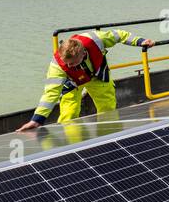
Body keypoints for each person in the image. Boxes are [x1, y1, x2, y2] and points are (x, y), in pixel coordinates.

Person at [16, 29, 154, 132]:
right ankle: (73, 143)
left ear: (83, 53)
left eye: (73, 63)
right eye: (67, 63)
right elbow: (50, 94)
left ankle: (108, 138)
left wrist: (140, 41)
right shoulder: (58, 66)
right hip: (72, 81)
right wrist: (37, 120)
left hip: (97, 75)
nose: (69, 66)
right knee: (68, 114)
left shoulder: (96, 39)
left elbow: (120, 35)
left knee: (107, 107)